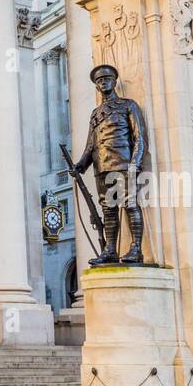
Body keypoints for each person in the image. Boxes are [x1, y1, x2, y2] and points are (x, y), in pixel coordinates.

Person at [70, 63, 146, 266]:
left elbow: (139, 137)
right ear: (96, 86)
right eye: (99, 81)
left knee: (130, 205)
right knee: (108, 209)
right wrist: (80, 165)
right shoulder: (96, 113)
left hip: (123, 163)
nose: (103, 83)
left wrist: (135, 163)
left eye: (106, 79)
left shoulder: (128, 105)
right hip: (101, 167)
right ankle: (110, 250)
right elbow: (90, 144)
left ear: (114, 82)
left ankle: (136, 248)